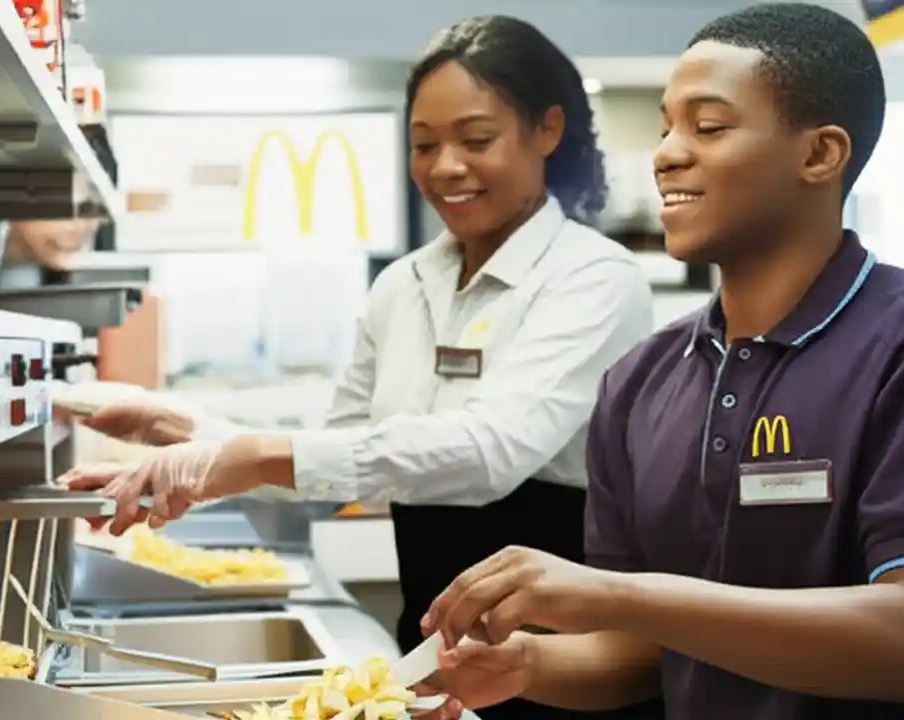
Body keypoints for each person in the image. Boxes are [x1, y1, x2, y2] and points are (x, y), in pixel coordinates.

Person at [416, 3, 904, 720]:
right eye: (665, 127)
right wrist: (527, 662)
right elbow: (643, 649)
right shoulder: (641, 380)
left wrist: (617, 595)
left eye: (708, 127)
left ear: (819, 155)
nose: (667, 154)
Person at [61, 15, 655, 719]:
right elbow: (327, 466)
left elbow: (490, 451)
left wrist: (247, 457)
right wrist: (181, 429)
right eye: (424, 144)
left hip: (557, 672)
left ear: (547, 130)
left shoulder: (594, 278)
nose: (445, 168)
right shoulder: (403, 286)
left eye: (476, 140)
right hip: (434, 658)